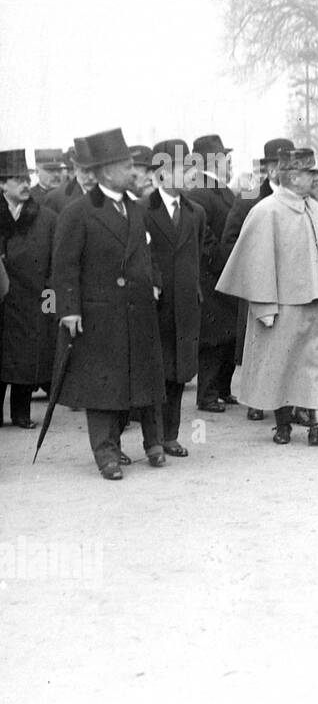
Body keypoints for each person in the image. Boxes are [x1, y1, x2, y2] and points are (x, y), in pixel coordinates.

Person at [50, 129, 167, 478]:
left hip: (137, 311)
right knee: (102, 386)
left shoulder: (136, 209)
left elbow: (148, 255)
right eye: (126, 165)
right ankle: (106, 454)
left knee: (136, 379)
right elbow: (64, 266)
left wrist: (155, 283)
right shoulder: (79, 212)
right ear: (105, 172)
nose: (133, 171)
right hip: (100, 315)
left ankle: (149, 444)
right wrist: (69, 309)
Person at [217, 148, 318, 446]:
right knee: (280, 363)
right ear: (292, 177)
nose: (315, 178)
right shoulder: (266, 211)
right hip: (282, 305)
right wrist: (264, 305)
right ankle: (283, 425)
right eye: (309, 173)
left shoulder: (315, 210)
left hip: (315, 303)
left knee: (315, 364)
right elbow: (256, 264)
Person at [222, 137, 293, 421]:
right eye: (275, 165)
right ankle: (255, 399)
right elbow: (230, 242)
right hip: (260, 282)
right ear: (267, 168)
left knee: (287, 343)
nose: (280, 170)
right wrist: (255, 267)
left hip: (290, 285)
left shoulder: (301, 199)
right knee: (258, 344)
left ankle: (289, 401)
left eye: (286, 165)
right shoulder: (250, 197)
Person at [143, 139, 206, 457]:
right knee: (155, 372)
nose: (191, 173)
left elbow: (197, 253)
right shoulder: (142, 211)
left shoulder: (196, 212)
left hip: (185, 305)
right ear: (162, 175)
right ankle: (152, 441)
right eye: (184, 168)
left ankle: (171, 436)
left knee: (179, 373)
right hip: (155, 305)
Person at [0, 149, 57, 428]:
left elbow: (55, 264)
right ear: (2, 185)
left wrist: (50, 301)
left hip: (32, 299)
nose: (25, 184)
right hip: (2, 300)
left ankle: (21, 414)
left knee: (26, 356)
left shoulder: (45, 218)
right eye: (16, 179)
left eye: (26, 178)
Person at [185, 139, 241, 413]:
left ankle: (223, 389)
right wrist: (224, 262)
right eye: (225, 160)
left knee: (228, 337)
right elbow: (203, 237)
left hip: (227, 276)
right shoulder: (200, 193)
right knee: (212, 340)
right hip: (211, 277)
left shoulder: (223, 191)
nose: (230, 165)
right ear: (212, 162)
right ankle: (206, 395)